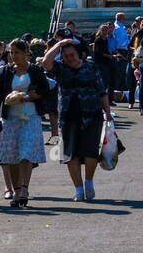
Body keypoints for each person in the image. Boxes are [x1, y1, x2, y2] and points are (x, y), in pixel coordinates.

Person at [43, 34, 112, 203]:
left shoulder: (91, 67)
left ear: (79, 54)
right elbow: (45, 63)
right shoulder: (60, 69)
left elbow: (101, 91)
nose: (69, 58)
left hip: (92, 114)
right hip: (68, 117)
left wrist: (108, 113)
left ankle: (88, 181)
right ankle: (78, 189)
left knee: (90, 152)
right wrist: (60, 44)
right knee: (70, 154)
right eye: (66, 56)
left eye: (72, 55)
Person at [0, 36, 49, 208]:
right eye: (11, 52)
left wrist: (29, 96)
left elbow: (44, 89)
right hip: (10, 118)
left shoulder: (35, 70)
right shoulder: (5, 71)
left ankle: (24, 189)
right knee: (12, 156)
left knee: (26, 153)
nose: (14, 56)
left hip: (30, 116)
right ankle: (16, 190)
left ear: (26, 53)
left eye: (17, 52)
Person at [108, 12, 130, 99]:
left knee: (122, 70)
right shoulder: (117, 28)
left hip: (123, 49)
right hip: (120, 50)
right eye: (123, 18)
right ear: (121, 18)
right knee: (120, 70)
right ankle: (118, 88)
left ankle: (120, 87)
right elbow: (120, 41)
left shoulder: (120, 27)